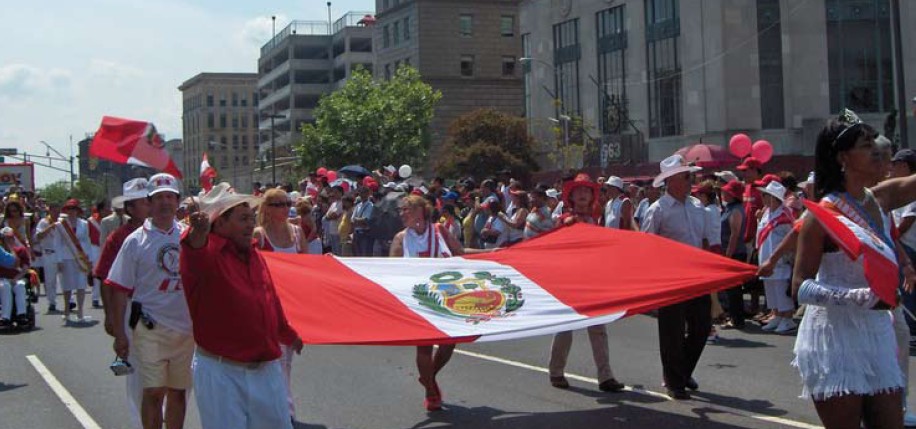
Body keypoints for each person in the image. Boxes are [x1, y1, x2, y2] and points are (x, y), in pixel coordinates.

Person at [792, 109, 915, 428]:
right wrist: (858, 297)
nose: (876, 150)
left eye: (875, 141)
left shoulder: (879, 199)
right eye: (865, 144)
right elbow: (800, 286)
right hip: (835, 336)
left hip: (877, 332)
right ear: (843, 157)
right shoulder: (820, 216)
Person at [182, 182, 302, 429]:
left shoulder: (254, 254)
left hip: (266, 368)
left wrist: (287, 332)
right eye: (243, 218)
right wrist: (198, 231)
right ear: (220, 223)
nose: (251, 224)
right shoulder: (204, 254)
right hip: (221, 371)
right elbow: (193, 245)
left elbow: (270, 299)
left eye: (250, 217)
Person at [107, 174, 192, 429]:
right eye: (158, 198)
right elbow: (118, 288)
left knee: (178, 392)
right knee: (154, 391)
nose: (165, 203)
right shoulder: (135, 241)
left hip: (186, 329)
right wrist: (119, 333)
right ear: (149, 202)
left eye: (170, 197)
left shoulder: (190, 237)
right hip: (149, 327)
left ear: (177, 202)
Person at [389, 194, 489, 411]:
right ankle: (430, 390)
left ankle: (428, 377)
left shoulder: (439, 231)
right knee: (424, 346)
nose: (402, 213)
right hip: (418, 298)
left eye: (407, 209)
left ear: (421, 210)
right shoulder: (400, 238)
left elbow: (460, 253)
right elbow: (390, 270)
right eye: (401, 210)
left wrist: (490, 252)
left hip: (446, 295)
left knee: (449, 341)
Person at [548, 173, 626, 393]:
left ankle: (606, 376)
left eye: (587, 191)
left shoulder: (594, 221)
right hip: (570, 282)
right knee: (565, 328)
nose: (583, 194)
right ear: (571, 196)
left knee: (598, 328)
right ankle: (556, 371)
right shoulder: (564, 220)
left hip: (592, 281)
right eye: (578, 191)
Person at [642, 154, 710, 400]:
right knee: (672, 330)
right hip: (670, 278)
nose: (691, 179)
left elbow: (703, 240)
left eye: (689, 175)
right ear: (671, 181)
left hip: (697, 276)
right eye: (685, 175)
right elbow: (647, 246)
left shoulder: (697, 206)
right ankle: (674, 381)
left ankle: (681, 370)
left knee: (702, 326)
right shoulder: (657, 210)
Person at [253, 188, 307, 421]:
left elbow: (307, 267)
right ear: (266, 208)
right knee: (277, 357)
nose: (285, 208)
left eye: (286, 203)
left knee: (287, 358)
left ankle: (280, 408)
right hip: (268, 305)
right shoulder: (260, 234)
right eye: (278, 204)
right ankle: (285, 413)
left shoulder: (297, 233)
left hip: (293, 303)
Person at [96, 178, 150, 337]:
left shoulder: (167, 230)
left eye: (150, 200)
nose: (150, 205)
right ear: (130, 209)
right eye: (144, 202)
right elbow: (106, 279)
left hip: (161, 306)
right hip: (130, 305)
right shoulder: (118, 238)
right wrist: (109, 315)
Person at [755, 181, 797, 334]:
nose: (763, 198)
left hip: (780, 260)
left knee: (780, 288)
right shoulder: (767, 212)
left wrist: (789, 257)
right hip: (765, 256)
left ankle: (788, 318)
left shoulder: (784, 214)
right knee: (771, 289)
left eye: (765, 195)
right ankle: (777, 315)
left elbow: (791, 238)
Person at [720, 180, 748, 329]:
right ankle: (735, 316)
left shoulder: (736, 210)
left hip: (735, 252)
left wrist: (728, 255)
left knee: (734, 289)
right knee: (731, 290)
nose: (723, 193)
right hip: (732, 251)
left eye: (726, 191)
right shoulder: (729, 208)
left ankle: (737, 319)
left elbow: (735, 233)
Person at [58, 199, 92, 323]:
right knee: (67, 285)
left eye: (74, 209)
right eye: (69, 209)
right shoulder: (60, 225)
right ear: (66, 211)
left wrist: (89, 258)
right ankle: (67, 310)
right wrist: (59, 260)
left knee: (81, 284)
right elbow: (57, 243)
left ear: (78, 211)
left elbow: (87, 241)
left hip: (81, 257)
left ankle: (80, 312)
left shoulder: (84, 223)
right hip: (66, 257)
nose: (72, 211)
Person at [34, 201, 64, 312]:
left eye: (58, 211)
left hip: (61, 253)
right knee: (50, 280)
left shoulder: (63, 222)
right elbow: (38, 236)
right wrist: (50, 227)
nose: (57, 213)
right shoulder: (43, 222)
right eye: (54, 211)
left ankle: (69, 301)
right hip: (48, 253)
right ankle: (52, 302)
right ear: (50, 210)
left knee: (64, 278)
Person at [0, 227, 30, 327]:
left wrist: (16, 278)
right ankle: (5, 317)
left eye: (10, 238)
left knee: (20, 286)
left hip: (17, 278)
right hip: (2, 279)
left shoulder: (21, 250)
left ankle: (21, 315)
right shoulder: (1, 253)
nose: (8, 240)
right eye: (5, 238)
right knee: (5, 287)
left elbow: (25, 268)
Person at [351, 186, 375, 256]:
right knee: (357, 255)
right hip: (356, 233)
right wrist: (358, 221)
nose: (362, 194)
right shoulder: (358, 205)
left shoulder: (370, 205)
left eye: (364, 193)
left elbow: (365, 220)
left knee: (365, 255)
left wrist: (357, 220)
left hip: (365, 234)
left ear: (368, 194)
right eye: (361, 193)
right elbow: (352, 220)